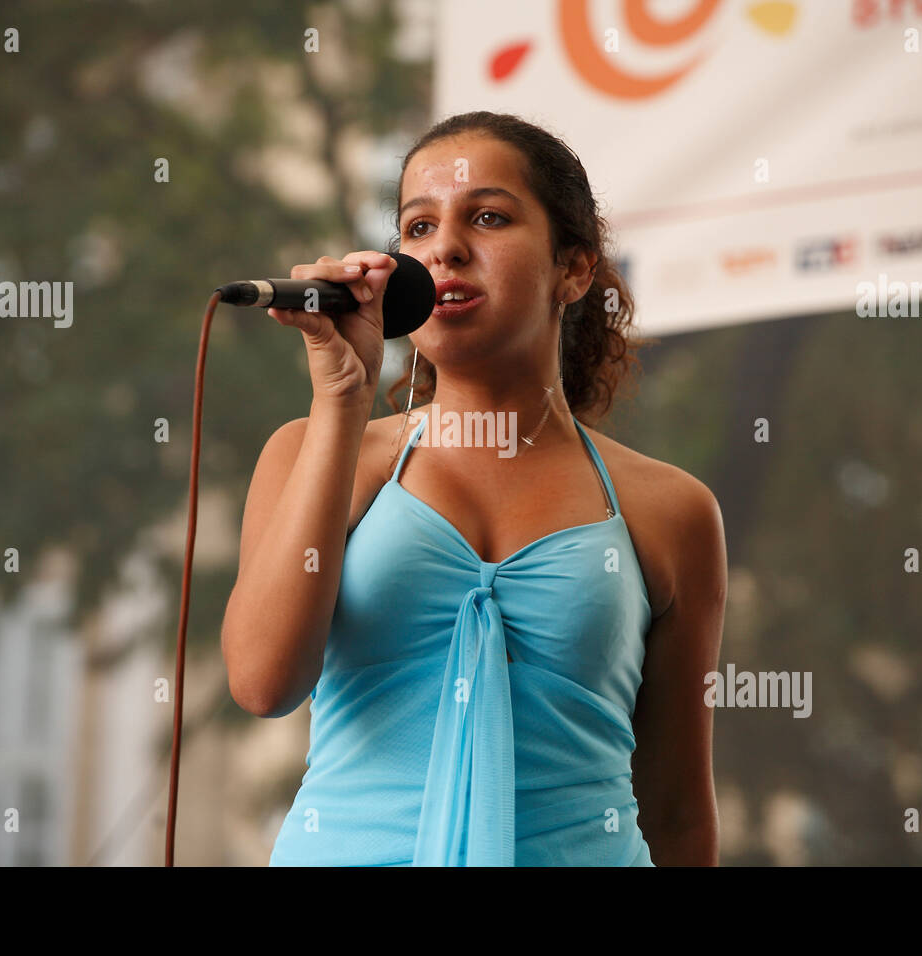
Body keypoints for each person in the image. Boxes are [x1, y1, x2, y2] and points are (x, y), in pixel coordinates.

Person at [221, 111, 726, 866]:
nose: (446, 247)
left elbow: (680, 814)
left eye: (488, 217)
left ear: (574, 268)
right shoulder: (316, 451)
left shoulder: (670, 510)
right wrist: (340, 400)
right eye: (418, 228)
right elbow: (263, 683)